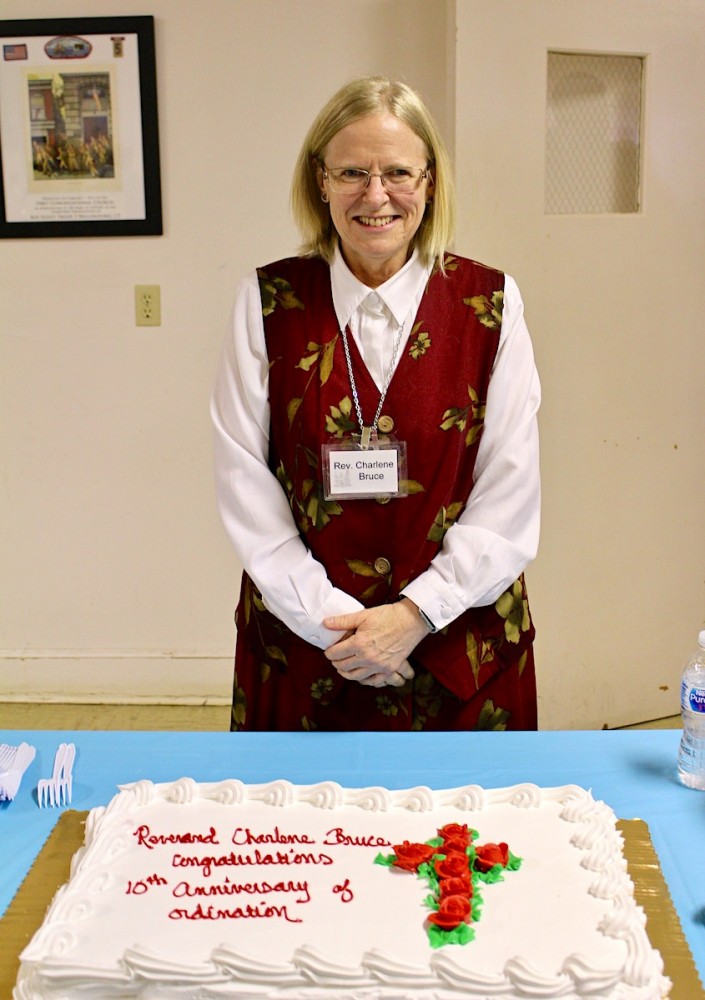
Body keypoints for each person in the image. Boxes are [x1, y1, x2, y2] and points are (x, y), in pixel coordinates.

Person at [211, 76, 540, 732]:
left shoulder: (491, 303)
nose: (375, 195)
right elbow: (243, 482)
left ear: (430, 181)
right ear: (319, 181)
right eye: (352, 172)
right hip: (308, 652)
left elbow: (510, 492)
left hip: (458, 652)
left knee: (471, 834)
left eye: (397, 172)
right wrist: (332, 622)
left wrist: (415, 614)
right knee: (296, 834)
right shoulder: (266, 301)